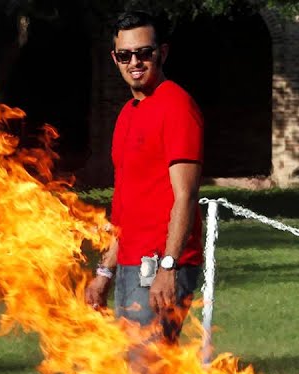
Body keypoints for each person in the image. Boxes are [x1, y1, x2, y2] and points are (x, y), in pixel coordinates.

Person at [84, 10, 205, 344]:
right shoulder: (127, 114)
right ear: (115, 58)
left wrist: (168, 267)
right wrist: (104, 272)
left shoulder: (177, 106)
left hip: (159, 266)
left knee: (148, 372)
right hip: (128, 264)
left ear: (161, 53)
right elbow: (124, 206)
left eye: (144, 53)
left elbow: (186, 195)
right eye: (125, 55)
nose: (134, 61)